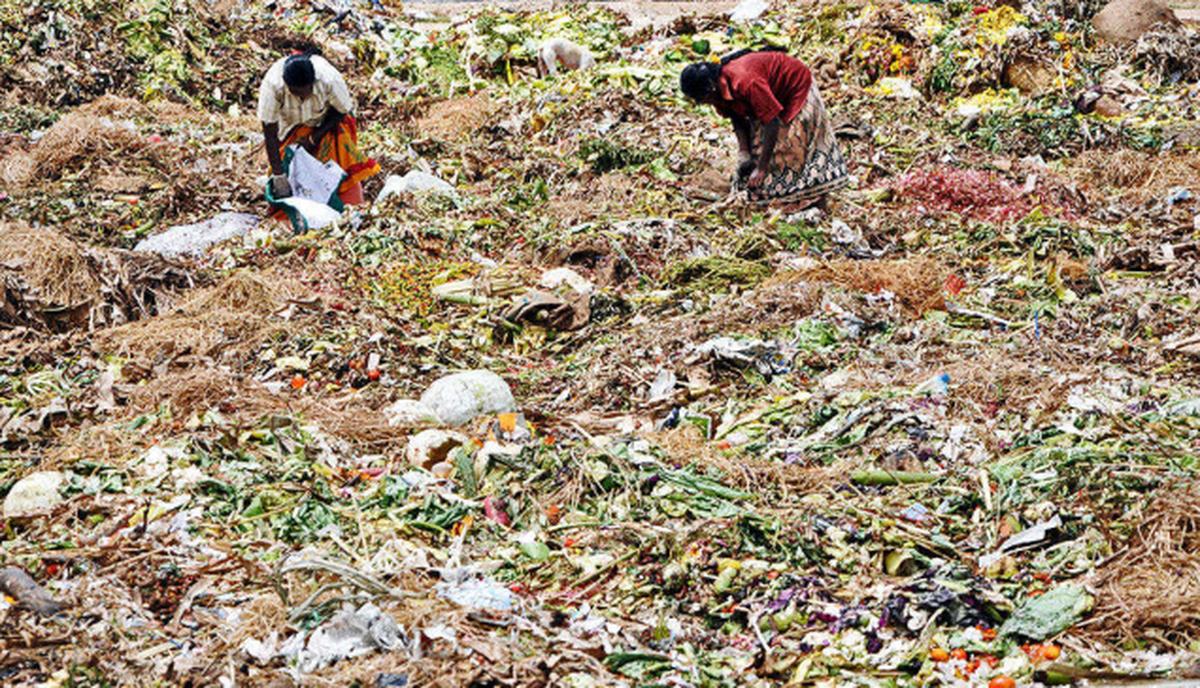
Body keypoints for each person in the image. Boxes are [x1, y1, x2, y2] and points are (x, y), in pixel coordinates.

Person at [680, 48, 848, 208]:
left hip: (795, 87)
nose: (705, 104)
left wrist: (761, 168)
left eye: (703, 100)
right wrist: (744, 153)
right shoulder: (719, 92)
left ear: (710, 90)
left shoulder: (745, 81)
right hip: (769, 97)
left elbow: (772, 122)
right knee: (758, 154)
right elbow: (737, 118)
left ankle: (810, 195)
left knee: (790, 150)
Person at [257, 51, 380, 206]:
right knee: (290, 171)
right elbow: (269, 133)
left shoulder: (329, 79)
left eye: (305, 93)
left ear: (313, 83)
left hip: (326, 123)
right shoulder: (273, 85)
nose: (301, 98)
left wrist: (313, 138)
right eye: (296, 93)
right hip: (290, 127)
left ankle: (348, 202)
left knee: (339, 164)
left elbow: (342, 111)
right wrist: (278, 175)